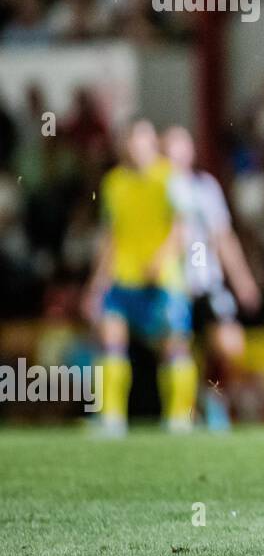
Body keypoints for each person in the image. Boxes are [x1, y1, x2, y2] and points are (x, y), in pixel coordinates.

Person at [82, 119, 195, 435]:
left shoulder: (170, 177)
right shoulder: (113, 183)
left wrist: (161, 259)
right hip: (123, 278)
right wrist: (96, 282)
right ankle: (111, 418)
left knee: (173, 347)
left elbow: (182, 227)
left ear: (152, 143)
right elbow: (110, 235)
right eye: (130, 140)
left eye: (142, 139)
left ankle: (178, 418)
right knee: (110, 340)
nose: (136, 146)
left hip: (163, 281)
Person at [161, 126, 261, 430]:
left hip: (205, 280)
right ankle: (180, 412)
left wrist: (242, 279)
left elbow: (222, 236)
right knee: (176, 347)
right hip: (171, 281)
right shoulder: (156, 188)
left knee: (229, 345)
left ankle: (211, 398)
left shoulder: (205, 187)